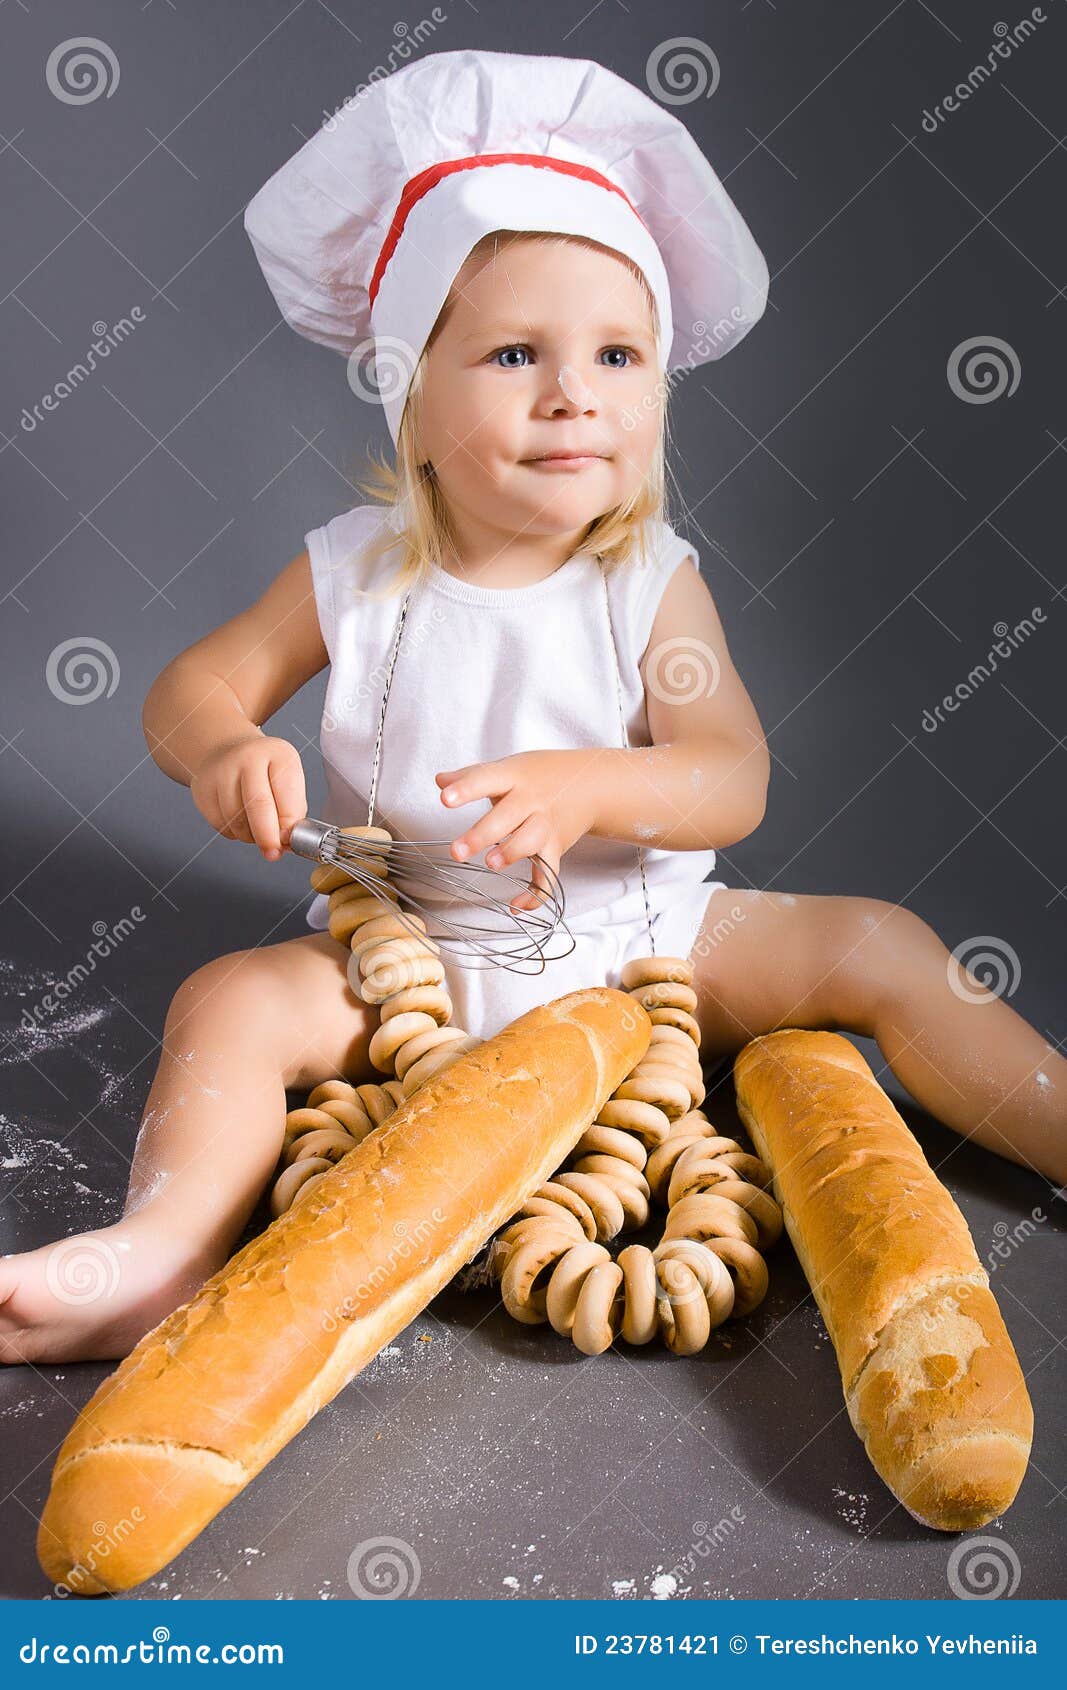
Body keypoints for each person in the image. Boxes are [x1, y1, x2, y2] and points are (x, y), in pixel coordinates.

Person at [2, 50, 1062, 1366]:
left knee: (882, 946)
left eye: (618, 354)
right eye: (516, 352)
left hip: (649, 936)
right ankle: (156, 1257)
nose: (573, 393)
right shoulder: (355, 568)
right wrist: (221, 744)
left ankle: (1058, 1120)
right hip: (413, 950)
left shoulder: (647, 582)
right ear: (416, 404)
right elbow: (192, 686)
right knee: (230, 999)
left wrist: (595, 787)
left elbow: (734, 773)